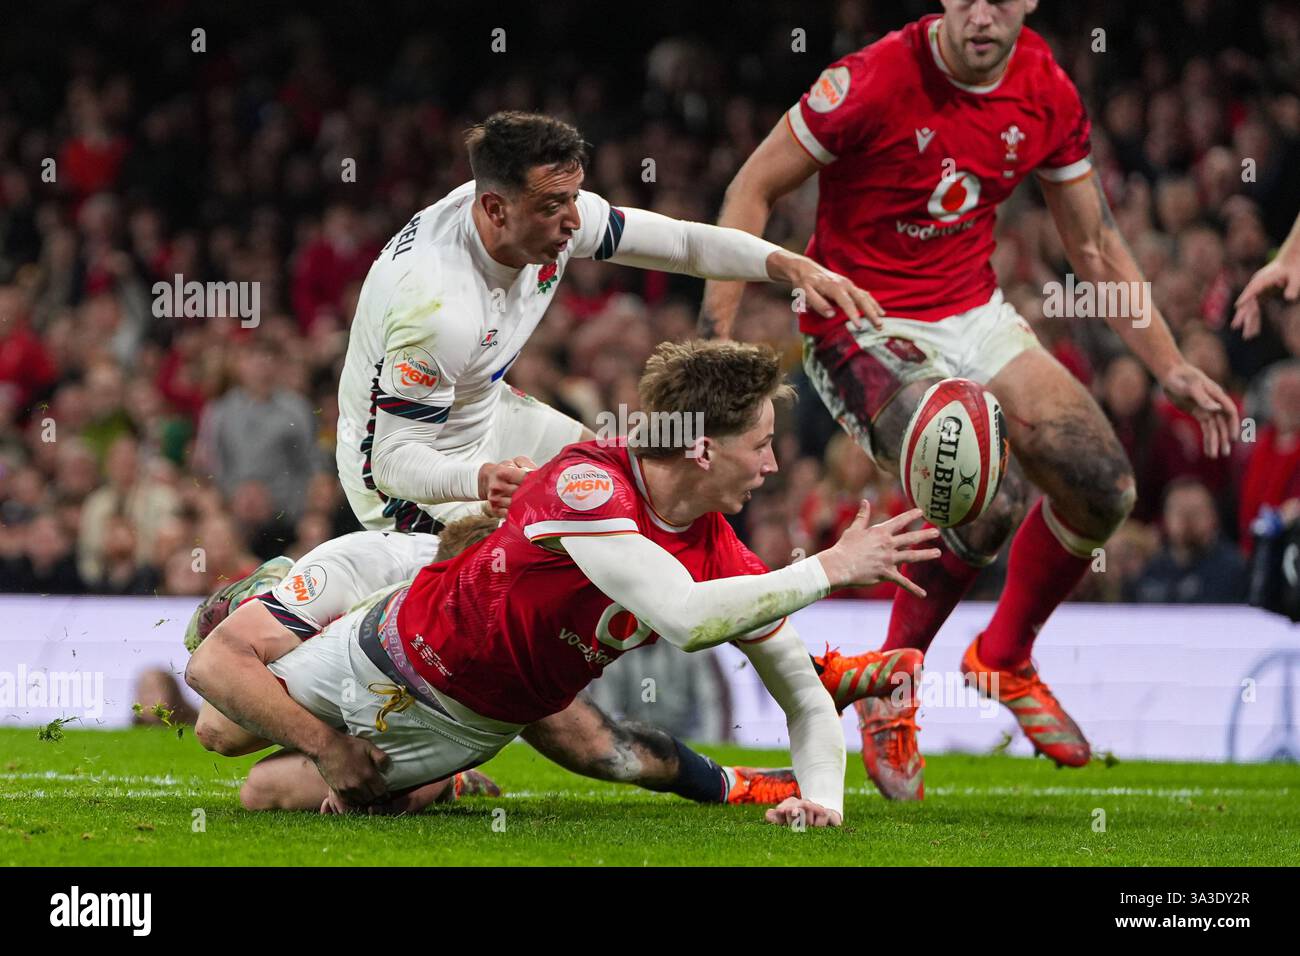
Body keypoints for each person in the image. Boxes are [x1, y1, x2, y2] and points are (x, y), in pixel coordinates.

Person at [699, 0, 1238, 799]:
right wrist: (716, 343)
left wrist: (1167, 364)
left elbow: (1093, 245)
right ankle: (890, 685)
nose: (983, 13)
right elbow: (752, 190)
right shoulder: (870, 78)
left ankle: (1005, 655)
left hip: (975, 314)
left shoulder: (1044, 86)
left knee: (1105, 488)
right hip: (858, 318)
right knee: (983, 492)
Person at [188, 341, 942, 825]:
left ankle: (426, 784)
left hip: (474, 723)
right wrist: (828, 568)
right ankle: (266, 618)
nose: (773, 465)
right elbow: (682, 617)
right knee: (219, 727)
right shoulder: (588, 483)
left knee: (272, 797)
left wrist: (822, 806)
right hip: (385, 650)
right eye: (761, 445)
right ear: (704, 450)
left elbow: (804, 704)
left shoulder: (726, 558)